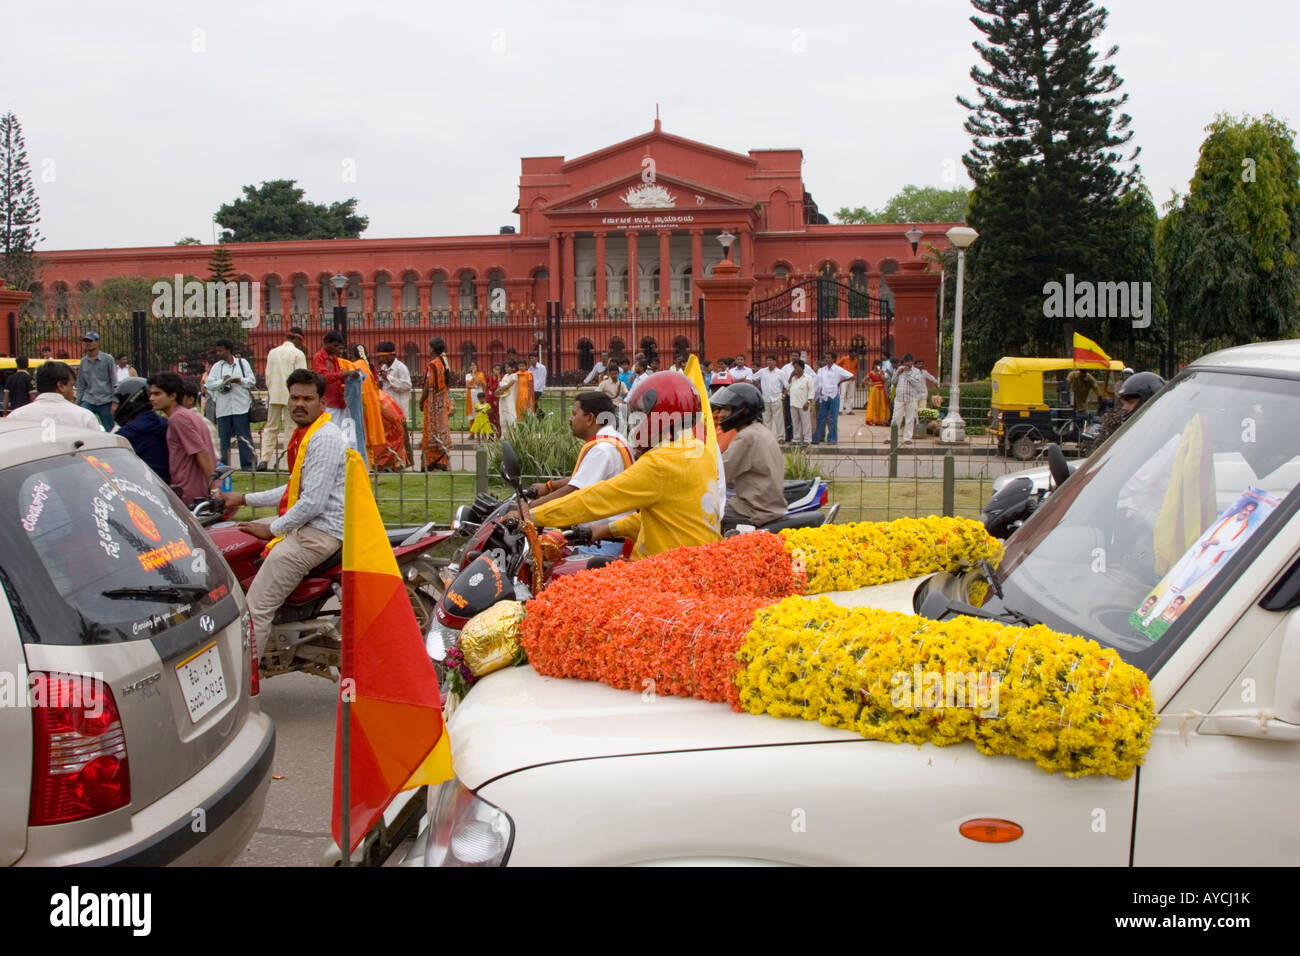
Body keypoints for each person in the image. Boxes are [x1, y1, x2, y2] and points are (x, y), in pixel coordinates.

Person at [530, 371, 723, 560]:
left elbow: (598, 498)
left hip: (663, 572)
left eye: (639, 415)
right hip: (696, 563)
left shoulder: (661, 462)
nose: (635, 424)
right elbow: (663, 517)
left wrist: (532, 515)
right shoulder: (699, 450)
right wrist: (604, 530)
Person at [220, 369, 348, 651]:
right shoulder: (307, 434)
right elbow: (294, 490)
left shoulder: (323, 438)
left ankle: (244, 678)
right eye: (294, 398)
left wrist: (274, 528)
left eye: (307, 398)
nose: (299, 404)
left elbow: (311, 502)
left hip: (318, 534)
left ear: (322, 403)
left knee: (256, 608)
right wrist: (243, 499)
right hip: (308, 524)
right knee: (239, 537)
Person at [529, 391, 633, 555]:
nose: (570, 419)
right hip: (604, 538)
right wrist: (548, 486)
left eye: (574, 414)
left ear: (590, 418)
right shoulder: (614, 439)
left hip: (602, 542)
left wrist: (528, 511)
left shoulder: (603, 449)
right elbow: (584, 477)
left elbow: (574, 490)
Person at [711, 382, 786, 530]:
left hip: (753, 510)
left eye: (726, 408)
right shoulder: (761, 431)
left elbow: (718, 475)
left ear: (742, 410)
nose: (720, 414)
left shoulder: (746, 437)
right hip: (769, 507)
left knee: (702, 515)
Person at [148, 371, 216, 505]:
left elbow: (201, 452)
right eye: (150, 394)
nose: (151, 398)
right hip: (195, 490)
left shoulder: (178, 418)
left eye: (157, 394)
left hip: (188, 492)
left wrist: (214, 487)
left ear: (172, 395)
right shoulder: (191, 416)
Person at [2, 360, 103, 431]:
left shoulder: (15, 417)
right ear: (61, 385)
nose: (73, 392)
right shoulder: (84, 417)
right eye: (72, 386)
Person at [261, 326, 308, 470]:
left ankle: (264, 459)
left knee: (270, 428)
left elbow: (268, 375)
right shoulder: (298, 354)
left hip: (274, 395)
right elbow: (301, 376)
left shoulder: (272, 353)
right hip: (292, 397)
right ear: (297, 339)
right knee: (290, 428)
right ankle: (289, 462)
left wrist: (271, 391)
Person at [205, 337, 256, 470]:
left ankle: (247, 465)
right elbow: (209, 384)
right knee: (223, 439)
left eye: (220, 351)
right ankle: (223, 466)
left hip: (241, 406)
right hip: (224, 408)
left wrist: (238, 380)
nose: (218, 353)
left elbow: (251, 381)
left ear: (228, 350)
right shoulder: (217, 367)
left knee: (243, 437)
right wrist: (223, 382)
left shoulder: (242, 363)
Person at [112, 376, 169, 484]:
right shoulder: (161, 422)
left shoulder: (130, 433)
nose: (113, 408)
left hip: (146, 485)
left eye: (117, 402)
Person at [312, 330, 362, 450]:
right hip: (329, 404)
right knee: (331, 435)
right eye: (335, 346)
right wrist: (345, 374)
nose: (337, 349)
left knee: (346, 437)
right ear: (325, 342)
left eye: (339, 347)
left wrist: (350, 378)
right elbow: (323, 377)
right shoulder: (319, 357)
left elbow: (337, 377)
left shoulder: (334, 358)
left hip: (340, 402)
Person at [420, 337, 452, 471]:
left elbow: (429, 385)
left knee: (430, 432)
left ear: (433, 348)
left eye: (429, 347)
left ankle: (429, 463)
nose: (428, 349)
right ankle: (441, 461)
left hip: (432, 404)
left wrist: (421, 400)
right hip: (442, 403)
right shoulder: (443, 362)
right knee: (441, 430)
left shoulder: (433, 364)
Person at [75, 331, 116, 430]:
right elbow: (81, 384)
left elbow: (114, 381)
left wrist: (115, 401)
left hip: (105, 400)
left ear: (97, 342)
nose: (88, 343)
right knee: (82, 425)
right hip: (89, 399)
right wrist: (77, 404)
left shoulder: (108, 359)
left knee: (110, 428)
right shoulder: (83, 361)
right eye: (86, 341)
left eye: (90, 341)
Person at [812, 355, 853, 444]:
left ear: (833, 359)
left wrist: (841, 381)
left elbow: (851, 376)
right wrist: (816, 396)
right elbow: (818, 383)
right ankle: (816, 438)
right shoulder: (821, 370)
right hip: (824, 396)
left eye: (829, 357)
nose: (827, 359)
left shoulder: (838, 369)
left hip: (834, 395)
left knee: (833, 418)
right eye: (826, 357)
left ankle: (832, 439)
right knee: (821, 417)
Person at [180, 378, 222, 463]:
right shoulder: (204, 422)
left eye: (178, 397)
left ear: (190, 400)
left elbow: (210, 458)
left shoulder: (190, 423)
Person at [891, 353, 928, 446]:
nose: (907, 364)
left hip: (911, 398)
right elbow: (893, 382)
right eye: (906, 362)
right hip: (899, 398)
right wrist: (898, 373)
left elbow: (917, 384)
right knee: (896, 418)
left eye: (909, 361)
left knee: (910, 419)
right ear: (903, 362)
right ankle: (892, 437)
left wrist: (907, 374)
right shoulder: (900, 369)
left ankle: (907, 438)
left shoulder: (916, 371)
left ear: (912, 362)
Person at [375, 341, 412, 422]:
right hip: (387, 407)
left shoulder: (401, 368)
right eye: (380, 356)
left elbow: (407, 386)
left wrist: (389, 378)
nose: (381, 359)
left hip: (399, 406)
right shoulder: (383, 367)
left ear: (391, 355)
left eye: (383, 356)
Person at [754, 354, 786, 439]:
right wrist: (758, 385)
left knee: (779, 419)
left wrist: (783, 395)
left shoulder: (780, 373)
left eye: (771, 360)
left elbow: (786, 386)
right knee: (766, 419)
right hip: (765, 398)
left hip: (777, 398)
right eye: (768, 360)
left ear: (775, 362)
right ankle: (767, 437)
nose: (769, 362)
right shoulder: (762, 371)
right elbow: (753, 378)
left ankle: (781, 437)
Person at [786, 358, 814, 446]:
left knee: (806, 423)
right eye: (794, 368)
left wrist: (808, 402)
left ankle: (807, 440)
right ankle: (796, 439)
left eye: (797, 367)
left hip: (804, 404)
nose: (795, 370)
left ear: (802, 368)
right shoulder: (793, 378)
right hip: (793, 404)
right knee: (795, 423)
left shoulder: (808, 378)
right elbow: (787, 388)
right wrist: (790, 377)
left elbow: (811, 391)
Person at [864, 359, 890, 426]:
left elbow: (884, 380)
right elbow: (864, 380)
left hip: (881, 390)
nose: (878, 366)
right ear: (874, 365)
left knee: (881, 404)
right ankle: (873, 419)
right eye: (877, 365)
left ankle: (881, 420)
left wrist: (880, 374)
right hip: (875, 390)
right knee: (874, 404)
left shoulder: (881, 372)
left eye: (879, 365)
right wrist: (870, 384)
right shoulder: (871, 373)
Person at [497, 361, 519, 431]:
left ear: (513, 368)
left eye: (508, 367)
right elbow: (501, 384)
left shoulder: (514, 375)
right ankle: (504, 434)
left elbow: (509, 385)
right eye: (505, 367)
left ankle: (512, 433)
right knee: (503, 414)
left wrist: (501, 389)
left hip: (510, 398)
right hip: (503, 397)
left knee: (510, 412)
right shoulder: (505, 376)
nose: (506, 369)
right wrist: (498, 390)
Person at [484, 363, 502, 435]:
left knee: (496, 414)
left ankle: (498, 433)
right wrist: (485, 396)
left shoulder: (501, 377)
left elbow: (500, 386)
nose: (497, 371)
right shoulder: (489, 377)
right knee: (489, 414)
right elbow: (485, 386)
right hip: (489, 396)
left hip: (496, 397)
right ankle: (490, 433)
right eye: (495, 369)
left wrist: (499, 378)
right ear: (493, 370)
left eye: (498, 370)